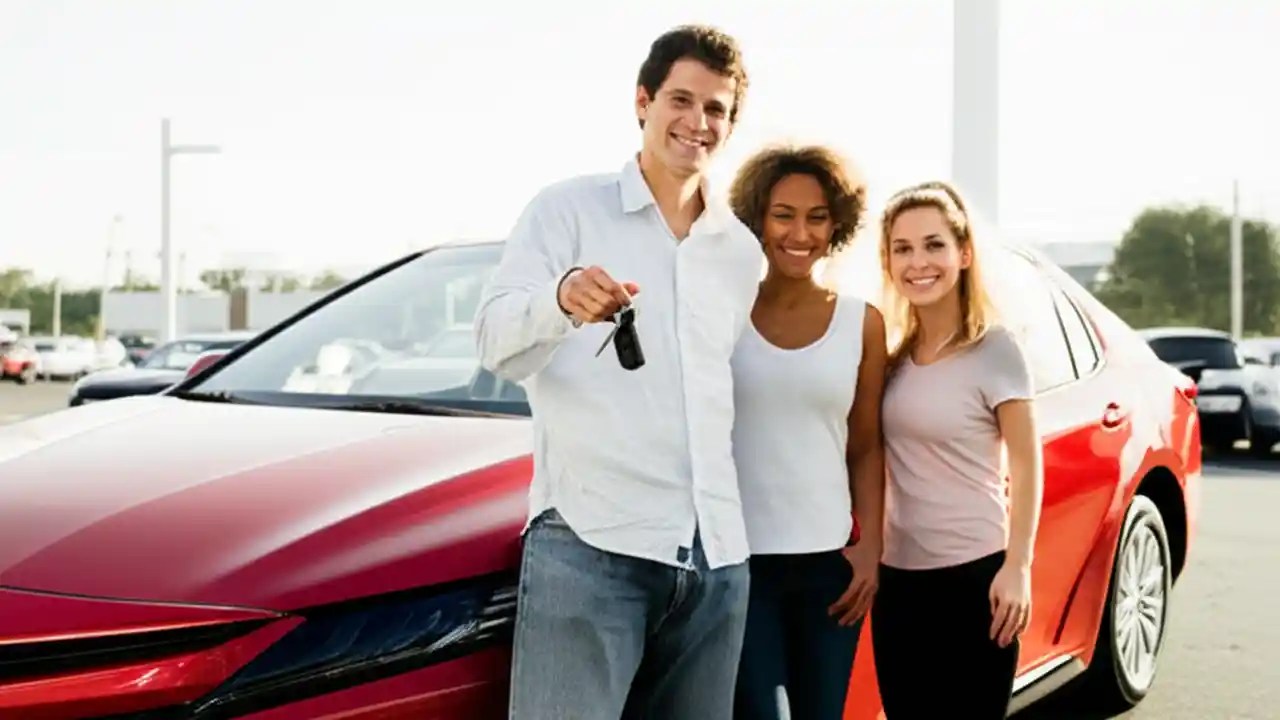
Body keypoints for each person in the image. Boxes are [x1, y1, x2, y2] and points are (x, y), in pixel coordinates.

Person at [473, 24, 764, 720]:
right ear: (643, 101)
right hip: (591, 547)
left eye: (717, 109)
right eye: (681, 100)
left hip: (715, 557)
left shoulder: (739, 251)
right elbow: (492, 341)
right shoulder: (566, 210)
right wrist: (560, 302)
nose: (698, 123)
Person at [868, 180, 1044, 718]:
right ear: (889, 261)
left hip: (976, 579)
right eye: (903, 248)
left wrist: (1017, 567)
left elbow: (1027, 463)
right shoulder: (893, 358)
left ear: (963, 254)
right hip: (897, 583)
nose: (918, 261)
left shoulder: (996, 349)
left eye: (934, 244)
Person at [725, 145, 886, 720]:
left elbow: (865, 446)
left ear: (836, 225)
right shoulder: (723, 313)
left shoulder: (862, 322)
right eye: (783, 214)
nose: (800, 232)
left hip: (829, 567)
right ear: (757, 220)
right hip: (740, 564)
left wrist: (869, 550)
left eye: (817, 217)